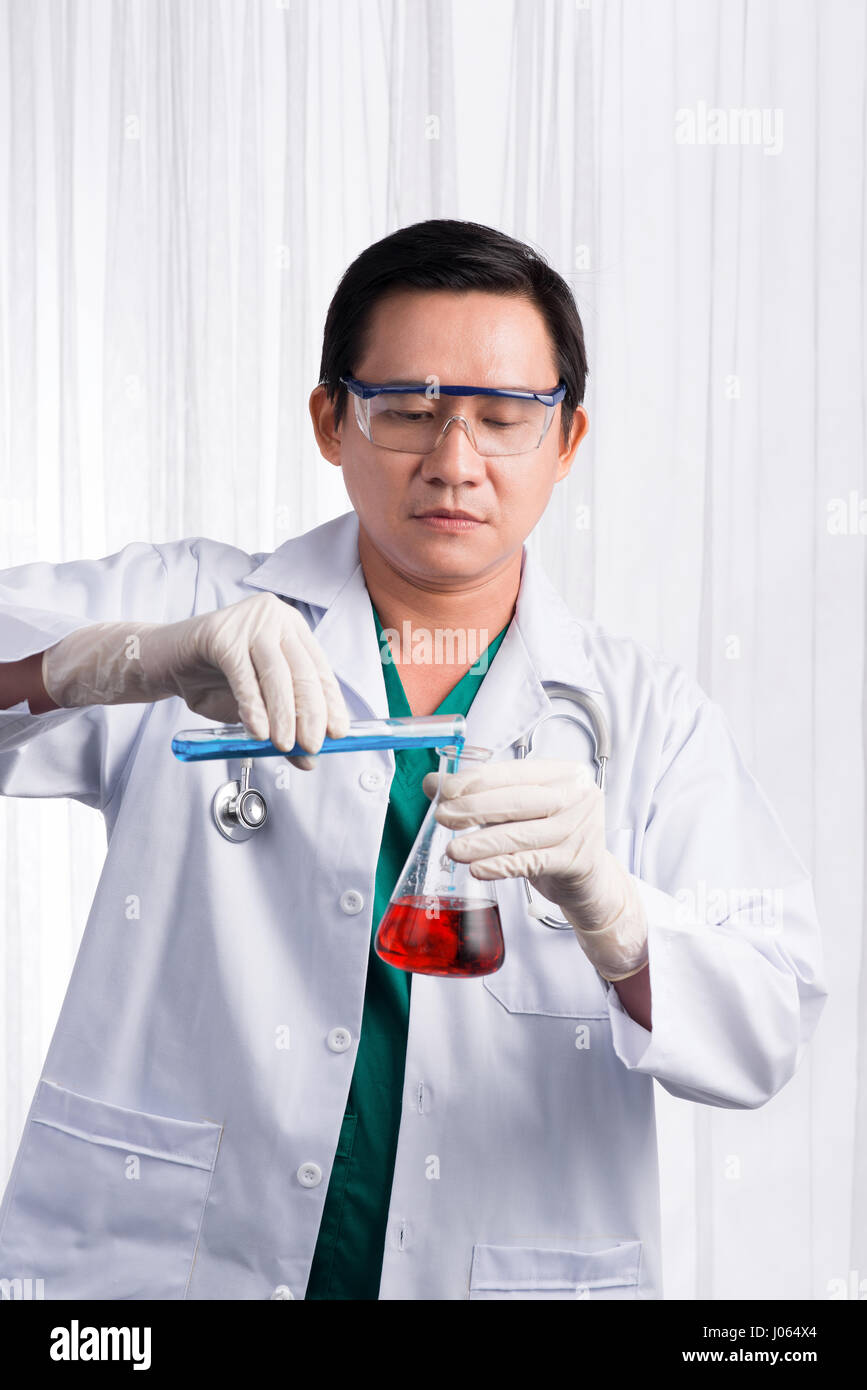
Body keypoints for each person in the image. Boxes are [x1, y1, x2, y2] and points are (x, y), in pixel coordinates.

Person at [0, 219, 827, 1301]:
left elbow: (768, 1026)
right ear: (331, 421)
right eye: (408, 411)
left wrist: (619, 920)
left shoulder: (648, 716)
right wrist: (98, 664)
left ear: (566, 442)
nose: (454, 463)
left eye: (502, 417)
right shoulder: (196, 609)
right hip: (164, 1275)